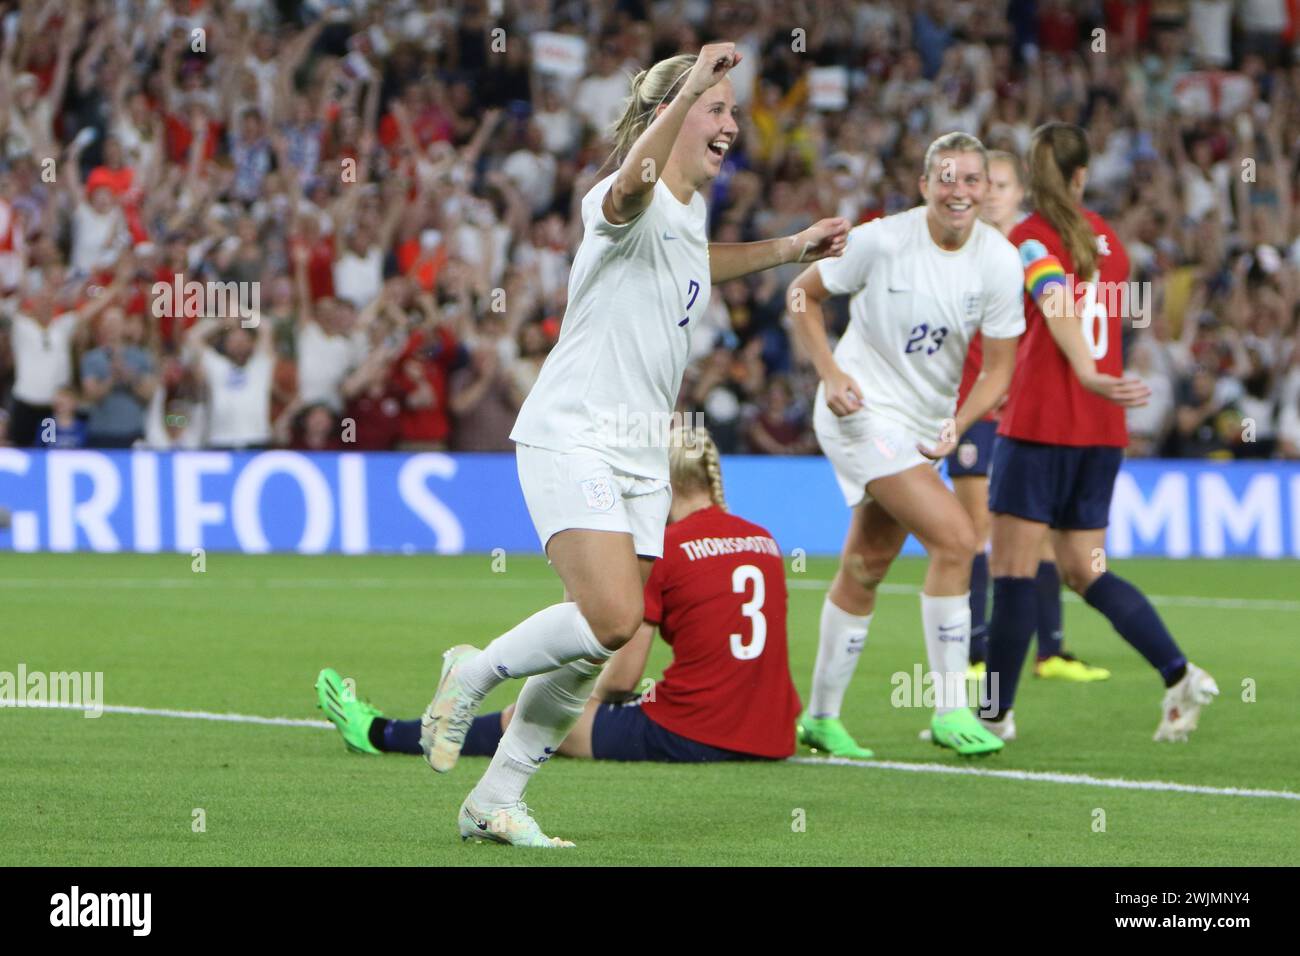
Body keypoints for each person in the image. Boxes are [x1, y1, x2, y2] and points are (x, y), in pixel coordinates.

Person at [418, 43, 847, 848]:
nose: (730, 124)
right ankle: (472, 671)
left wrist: (792, 249)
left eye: (728, 111)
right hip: (574, 430)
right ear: (669, 115)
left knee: (601, 643)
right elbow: (628, 192)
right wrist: (689, 85)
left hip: (644, 450)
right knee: (612, 617)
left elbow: (698, 265)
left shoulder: (687, 218)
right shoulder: (621, 199)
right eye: (714, 110)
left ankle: (496, 797)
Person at [316, 428, 801, 776]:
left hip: (698, 734)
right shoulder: (762, 539)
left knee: (540, 716)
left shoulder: (665, 548)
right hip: (775, 735)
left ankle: (383, 734)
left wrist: (572, 697)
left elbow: (623, 680)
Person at [787, 131, 1024, 758]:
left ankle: (819, 717)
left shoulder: (1000, 260)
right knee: (955, 536)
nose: (960, 190)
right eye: (947, 177)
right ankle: (950, 710)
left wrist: (961, 421)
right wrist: (831, 372)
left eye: (972, 179)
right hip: (857, 410)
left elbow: (999, 370)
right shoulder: (882, 239)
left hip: (923, 429)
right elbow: (800, 294)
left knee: (866, 563)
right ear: (924, 185)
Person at [982, 123, 1219, 743]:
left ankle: (991, 715)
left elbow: (1053, 296)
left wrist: (1084, 370)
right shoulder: (1109, 240)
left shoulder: (1029, 236)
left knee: (1010, 571)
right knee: (1085, 570)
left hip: (1040, 424)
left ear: (1034, 179)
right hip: (1101, 433)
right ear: (1082, 176)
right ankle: (1178, 671)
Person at [954, 150, 1110, 683]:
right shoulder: (960, 248)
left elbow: (1055, 312)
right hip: (976, 408)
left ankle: (1052, 652)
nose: (992, 192)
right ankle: (976, 654)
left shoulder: (1031, 247)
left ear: (1022, 192)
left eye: (1002, 184)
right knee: (977, 531)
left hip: (1026, 413)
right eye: (985, 183)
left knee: (1038, 537)